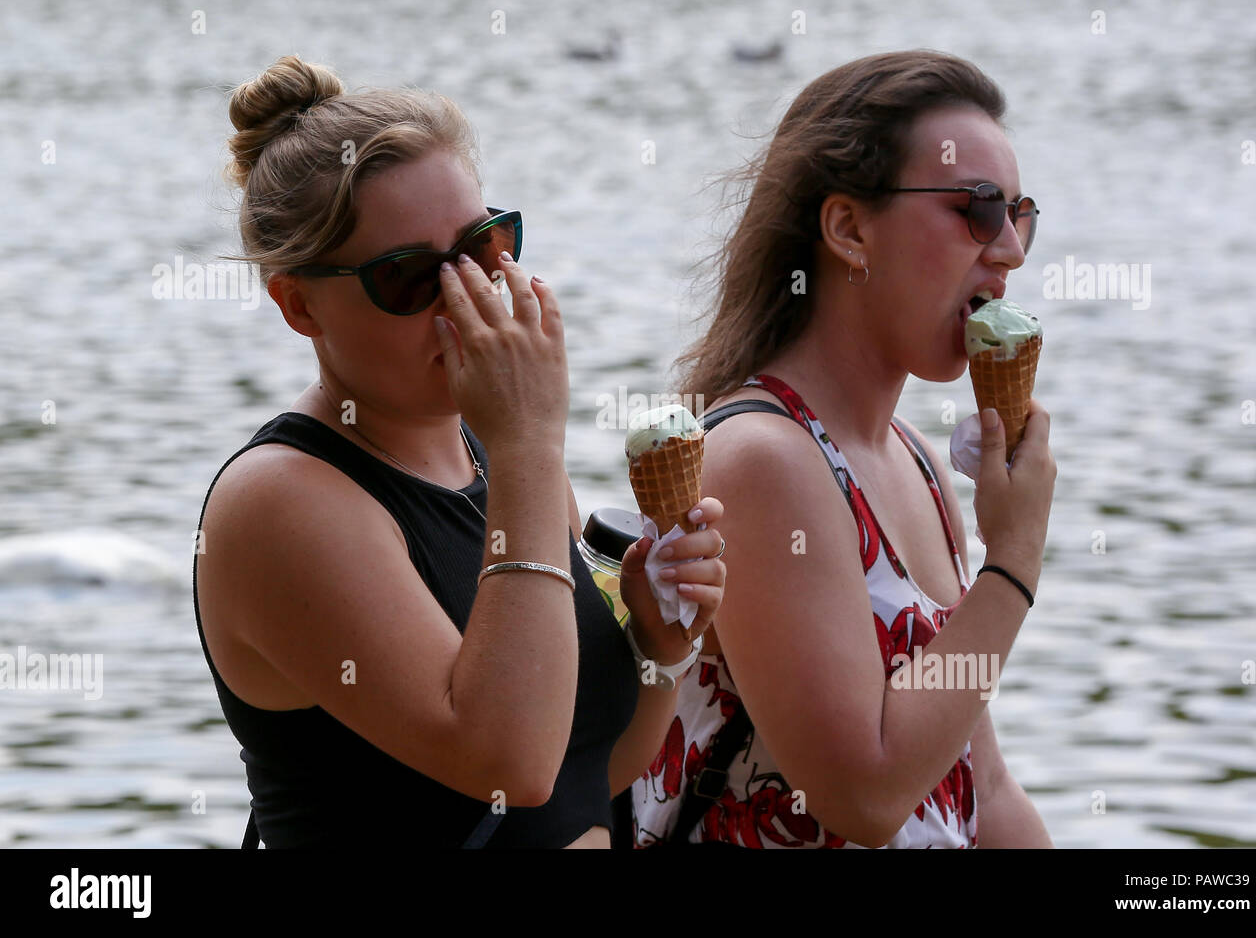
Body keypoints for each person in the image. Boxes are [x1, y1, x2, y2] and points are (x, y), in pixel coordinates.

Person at [192, 56, 726, 848]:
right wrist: (531, 445)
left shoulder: (497, 459)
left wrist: (657, 642)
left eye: (481, 247)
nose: (462, 296)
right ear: (300, 305)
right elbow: (507, 765)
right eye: (407, 277)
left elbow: (591, 772)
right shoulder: (282, 501)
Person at [631, 50, 1056, 848]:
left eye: (1020, 213)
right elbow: (863, 793)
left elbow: (983, 786)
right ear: (850, 228)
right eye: (979, 207)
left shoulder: (917, 463)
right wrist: (1016, 559)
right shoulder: (762, 461)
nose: (1010, 250)